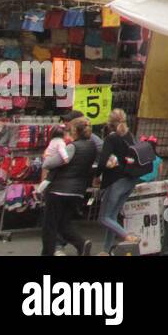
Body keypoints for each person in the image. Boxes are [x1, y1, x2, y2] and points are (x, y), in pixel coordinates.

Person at [41, 117, 97, 257]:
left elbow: (49, 164)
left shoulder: (72, 147)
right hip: (77, 191)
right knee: (63, 224)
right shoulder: (92, 146)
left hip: (59, 190)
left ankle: (47, 253)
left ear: (75, 131)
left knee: (50, 225)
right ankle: (81, 244)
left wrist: (47, 156)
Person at [95, 108, 141, 254]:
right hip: (130, 180)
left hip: (115, 180)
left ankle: (128, 236)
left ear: (109, 123)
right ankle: (106, 250)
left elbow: (103, 161)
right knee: (112, 216)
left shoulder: (111, 138)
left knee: (104, 217)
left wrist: (96, 175)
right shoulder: (130, 136)